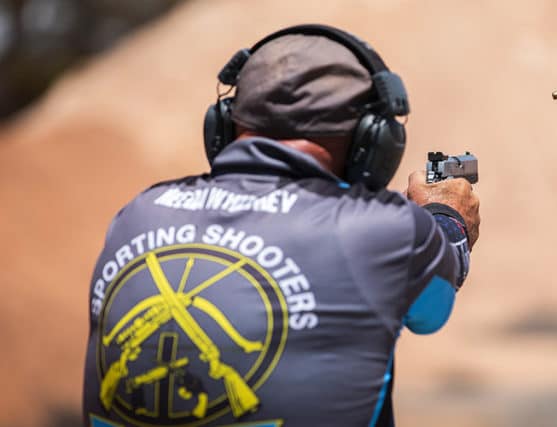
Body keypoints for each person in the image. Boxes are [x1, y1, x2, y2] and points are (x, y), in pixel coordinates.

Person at [82, 24, 480, 427]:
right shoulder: (388, 230)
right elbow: (432, 312)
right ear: (373, 142)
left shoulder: (138, 213)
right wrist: (447, 217)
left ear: (222, 127)